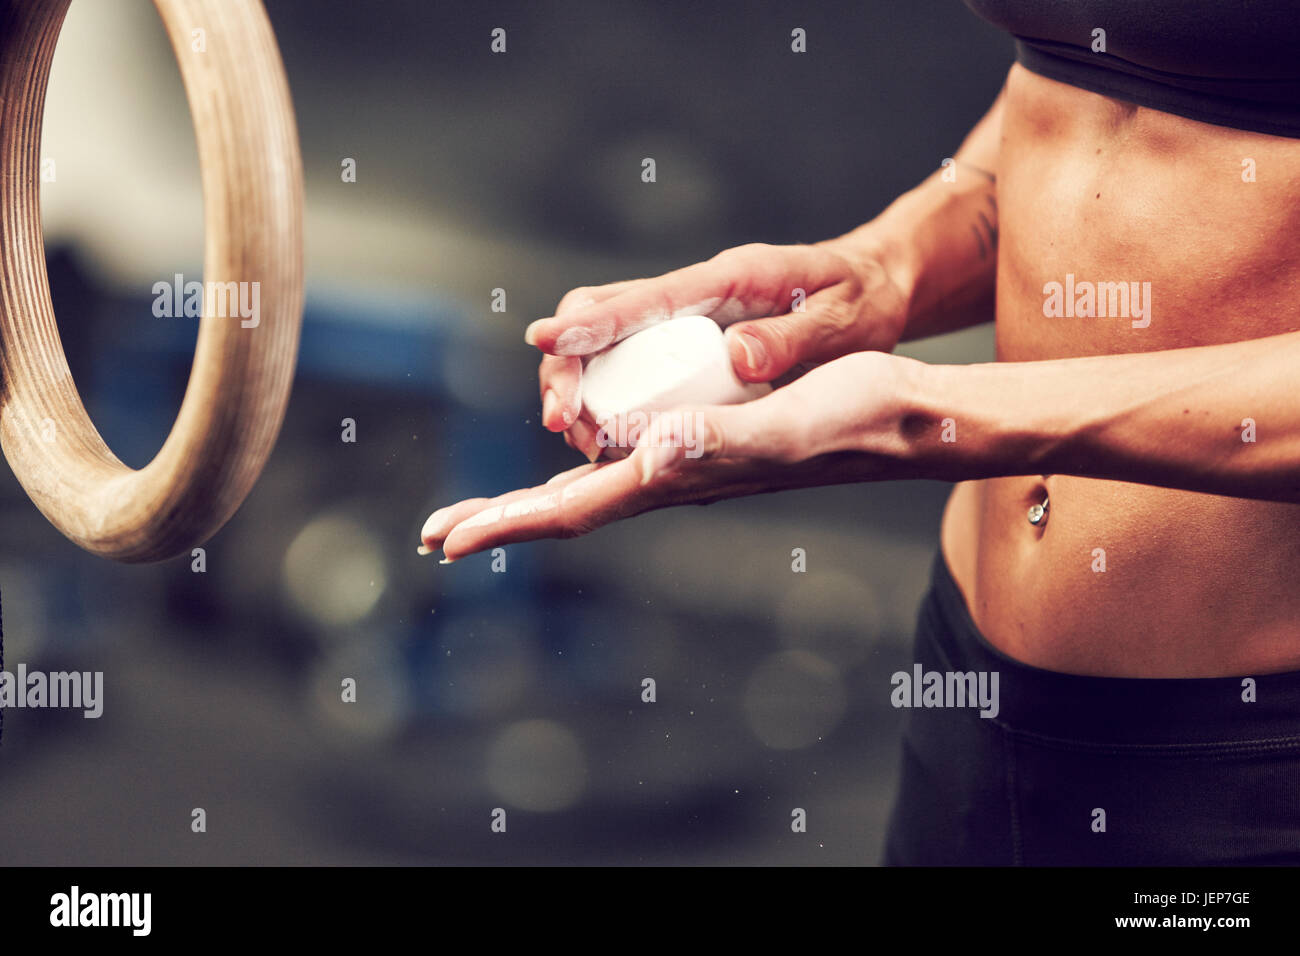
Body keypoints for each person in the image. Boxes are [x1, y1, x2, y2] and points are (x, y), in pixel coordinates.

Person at [421, 3, 1300, 864]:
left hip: (1250, 758)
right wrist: (881, 269)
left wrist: (927, 416)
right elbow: (1074, 86)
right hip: (972, 684)